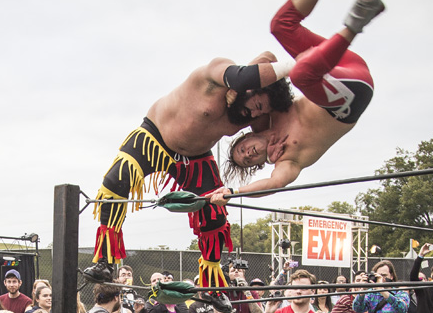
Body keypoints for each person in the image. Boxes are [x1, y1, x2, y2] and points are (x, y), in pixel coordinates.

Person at [87, 43, 293, 288]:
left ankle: (212, 286)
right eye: (257, 106)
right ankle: (105, 261)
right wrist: (247, 80)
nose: (254, 115)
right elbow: (268, 56)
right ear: (249, 88)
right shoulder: (217, 73)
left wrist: (273, 151)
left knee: (215, 212)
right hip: (156, 136)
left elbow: (268, 136)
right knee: (117, 179)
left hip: (196, 157)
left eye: (261, 112)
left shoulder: (247, 115)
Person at [212, 0, 383, 205]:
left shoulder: (263, 116)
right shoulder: (288, 160)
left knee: (280, 26)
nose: (248, 154)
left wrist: (236, 87)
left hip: (342, 64)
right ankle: (361, 16)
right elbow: (274, 184)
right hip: (351, 97)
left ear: (245, 137)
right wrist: (233, 193)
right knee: (300, 74)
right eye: (248, 161)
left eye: (242, 150)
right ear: (259, 163)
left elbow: (268, 58)